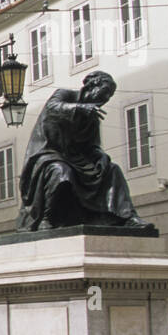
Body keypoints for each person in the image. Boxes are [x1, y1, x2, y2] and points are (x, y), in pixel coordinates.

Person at [16, 70, 149, 231]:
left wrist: (101, 156)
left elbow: (92, 146)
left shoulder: (92, 117)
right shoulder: (64, 95)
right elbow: (53, 107)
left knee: (113, 170)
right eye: (105, 92)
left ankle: (128, 217)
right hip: (47, 155)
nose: (105, 98)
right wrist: (80, 108)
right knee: (61, 171)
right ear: (91, 86)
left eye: (109, 96)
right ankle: (47, 218)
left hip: (76, 160)